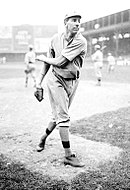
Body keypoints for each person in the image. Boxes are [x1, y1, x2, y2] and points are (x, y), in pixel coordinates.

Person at [35, 11, 87, 167]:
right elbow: (48, 65)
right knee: (63, 116)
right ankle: (68, 155)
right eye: (74, 20)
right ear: (66, 22)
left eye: (79, 20)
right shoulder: (54, 39)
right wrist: (38, 83)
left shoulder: (81, 41)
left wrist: (44, 58)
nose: (77, 23)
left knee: (56, 116)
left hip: (73, 81)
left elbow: (60, 61)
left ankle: (43, 138)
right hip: (56, 80)